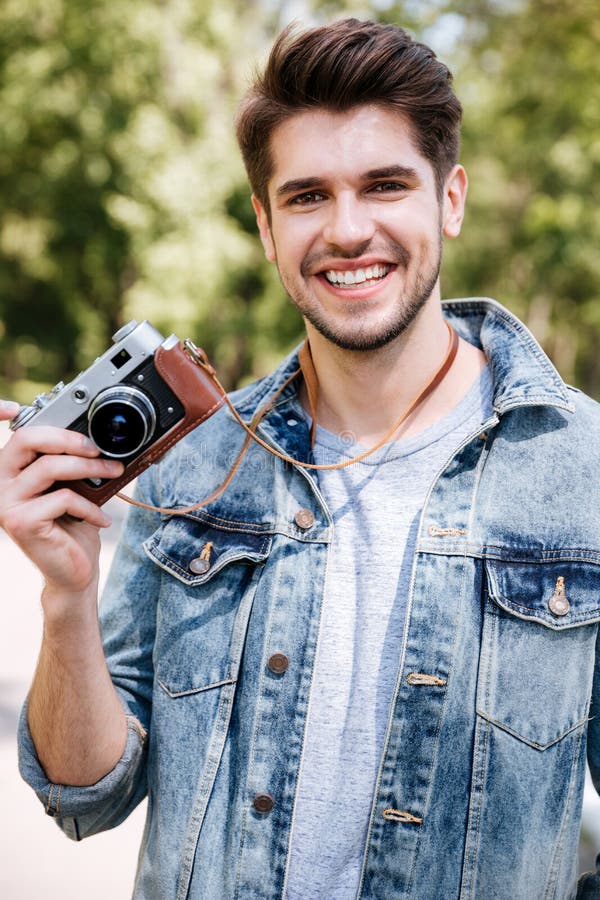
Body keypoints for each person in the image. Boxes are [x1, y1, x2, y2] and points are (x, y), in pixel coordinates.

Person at [1, 17, 599, 900]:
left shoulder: (582, 471)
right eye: (307, 195)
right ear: (265, 223)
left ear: (452, 199)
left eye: (385, 184)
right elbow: (88, 792)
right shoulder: (192, 463)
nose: (348, 230)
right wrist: (65, 596)